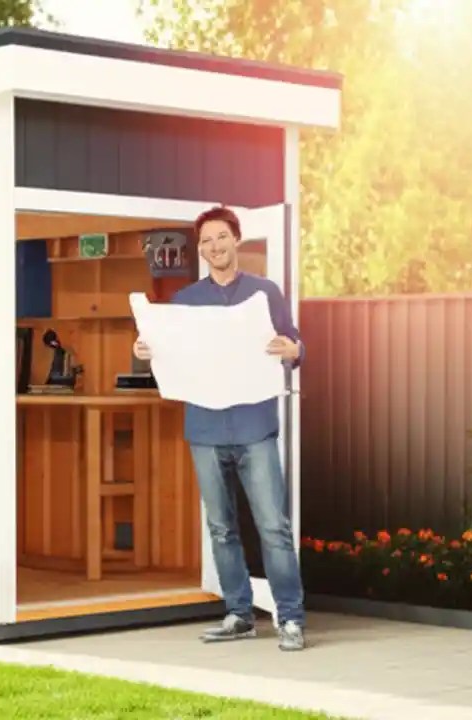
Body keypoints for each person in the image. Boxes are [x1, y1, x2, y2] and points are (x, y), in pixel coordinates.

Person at [132, 205, 307, 652]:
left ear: (237, 239)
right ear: (201, 248)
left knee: (274, 527)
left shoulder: (265, 293)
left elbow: (292, 343)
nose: (214, 247)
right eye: (206, 240)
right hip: (206, 429)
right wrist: (147, 350)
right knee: (221, 528)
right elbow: (171, 355)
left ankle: (289, 618)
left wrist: (293, 349)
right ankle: (239, 614)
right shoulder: (186, 301)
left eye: (221, 237)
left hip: (255, 426)